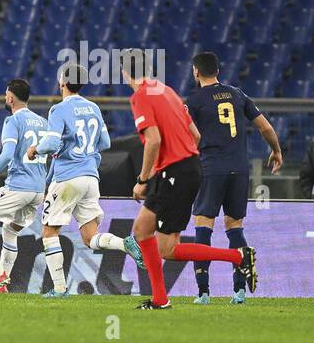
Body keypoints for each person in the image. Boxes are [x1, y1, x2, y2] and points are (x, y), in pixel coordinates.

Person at [121, 53, 255, 310]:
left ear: (125, 74)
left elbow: (154, 140)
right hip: (179, 168)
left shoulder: (140, 96)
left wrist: (143, 178)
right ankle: (160, 299)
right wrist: (181, 160)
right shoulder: (166, 90)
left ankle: (237, 256)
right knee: (141, 230)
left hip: (175, 172)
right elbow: (194, 134)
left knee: (168, 249)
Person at [29, 62, 143, 296]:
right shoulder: (93, 108)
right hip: (90, 178)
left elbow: (50, 144)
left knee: (49, 233)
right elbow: (106, 143)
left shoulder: (58, 110)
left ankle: (59, 289)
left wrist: (35, 149)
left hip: (68, 178)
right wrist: (84, 148)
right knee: (90, 237)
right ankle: (125, 244)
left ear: (62, 82)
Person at [182, 51, 282, 304]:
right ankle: (239, 291)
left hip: (211, 169)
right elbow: (266, 127)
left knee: (203, 225)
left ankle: (203, 292)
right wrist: (276, 150)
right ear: (218, 70)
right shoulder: (238, 94)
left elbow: (189, 137)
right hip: (239, 169)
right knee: (234, 226)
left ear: (196, 71)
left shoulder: (193, 102)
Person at [0, 79, 48, 293]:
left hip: (19, 186)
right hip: (38, 190)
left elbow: (7, 155)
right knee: (10, 230)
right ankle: (1, 287)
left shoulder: (12, 121)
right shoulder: (43, 122)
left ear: (11, 98)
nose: (5, 98)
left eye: (6, 95)